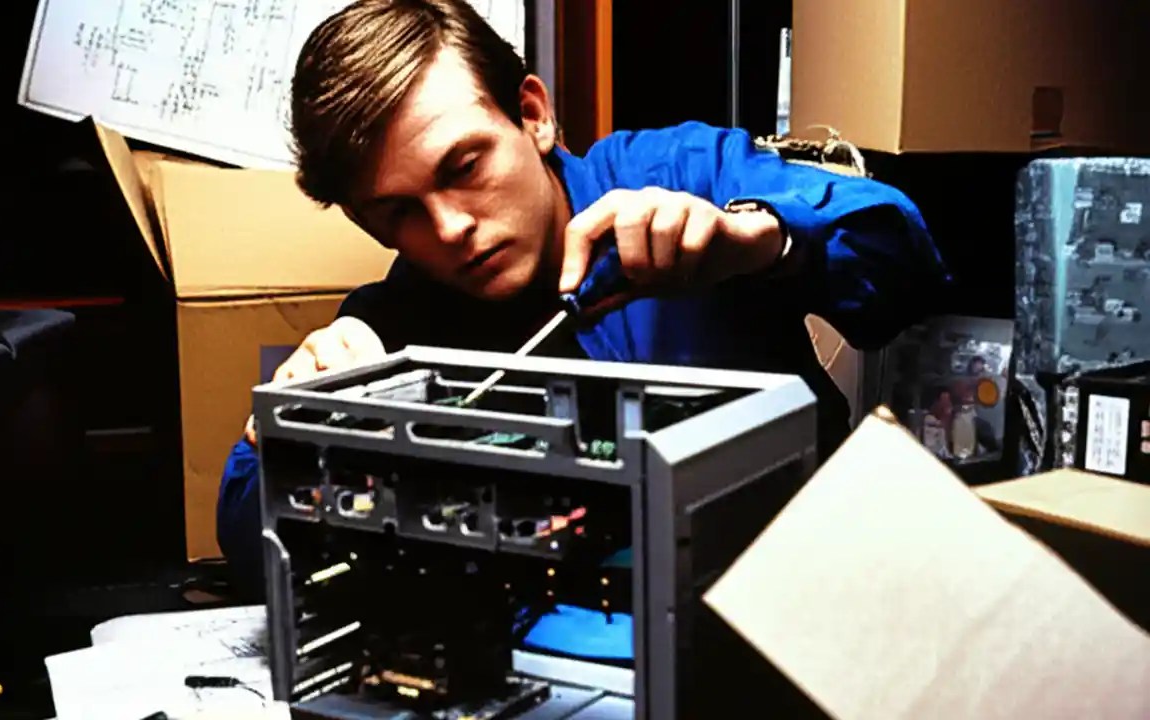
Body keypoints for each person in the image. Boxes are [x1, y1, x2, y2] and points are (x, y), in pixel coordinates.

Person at [218, 0, 951, 659]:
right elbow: (252, 539)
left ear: (533, 114)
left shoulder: (678, 174)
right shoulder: (395, 326)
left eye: (465, 166)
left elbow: (905, 269)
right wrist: (305, 431)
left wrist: (759, 243)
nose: (450, 228)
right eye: (399, 213)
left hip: (814, 624)